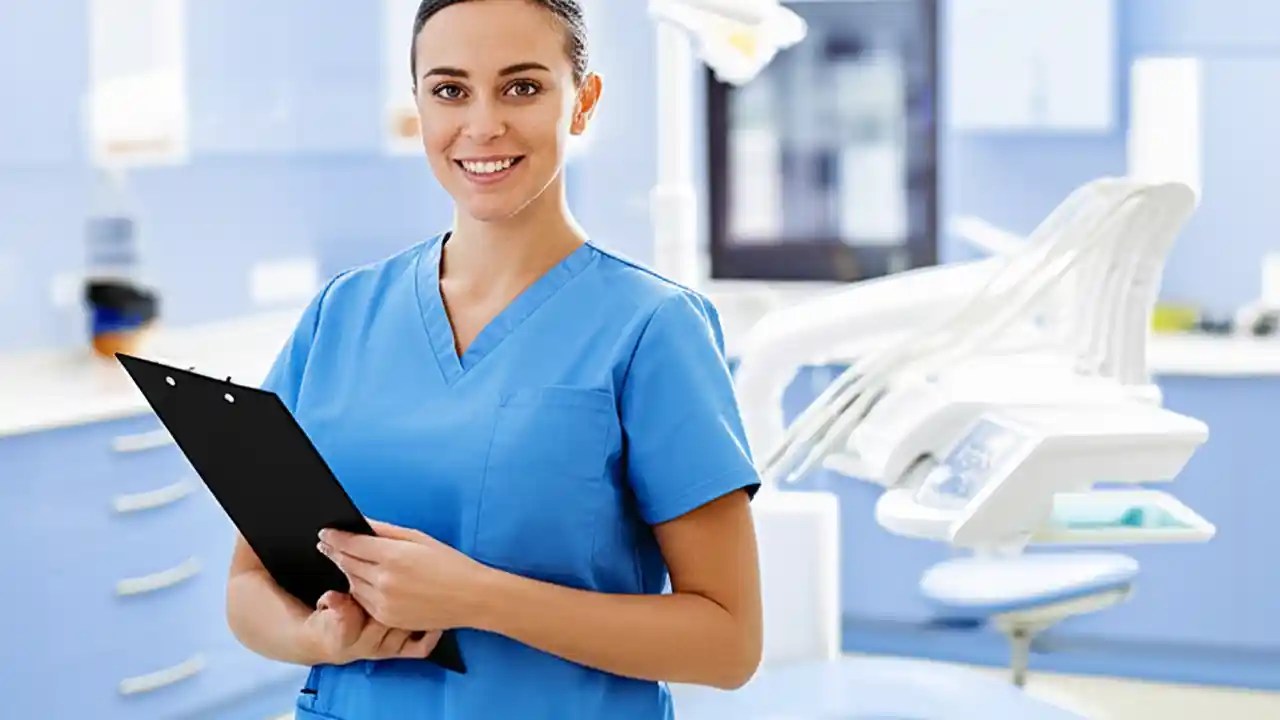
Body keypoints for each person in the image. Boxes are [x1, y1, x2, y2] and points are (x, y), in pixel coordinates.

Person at [225, 1, 764, 718]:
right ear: (419, 104)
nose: (482, 126)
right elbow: (248, 584)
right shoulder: (341, 314)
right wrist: (320, 637)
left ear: (583, 102)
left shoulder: (651, 328)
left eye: (522, 87)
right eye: (450, 90)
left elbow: (729, 643)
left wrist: (476, 597)